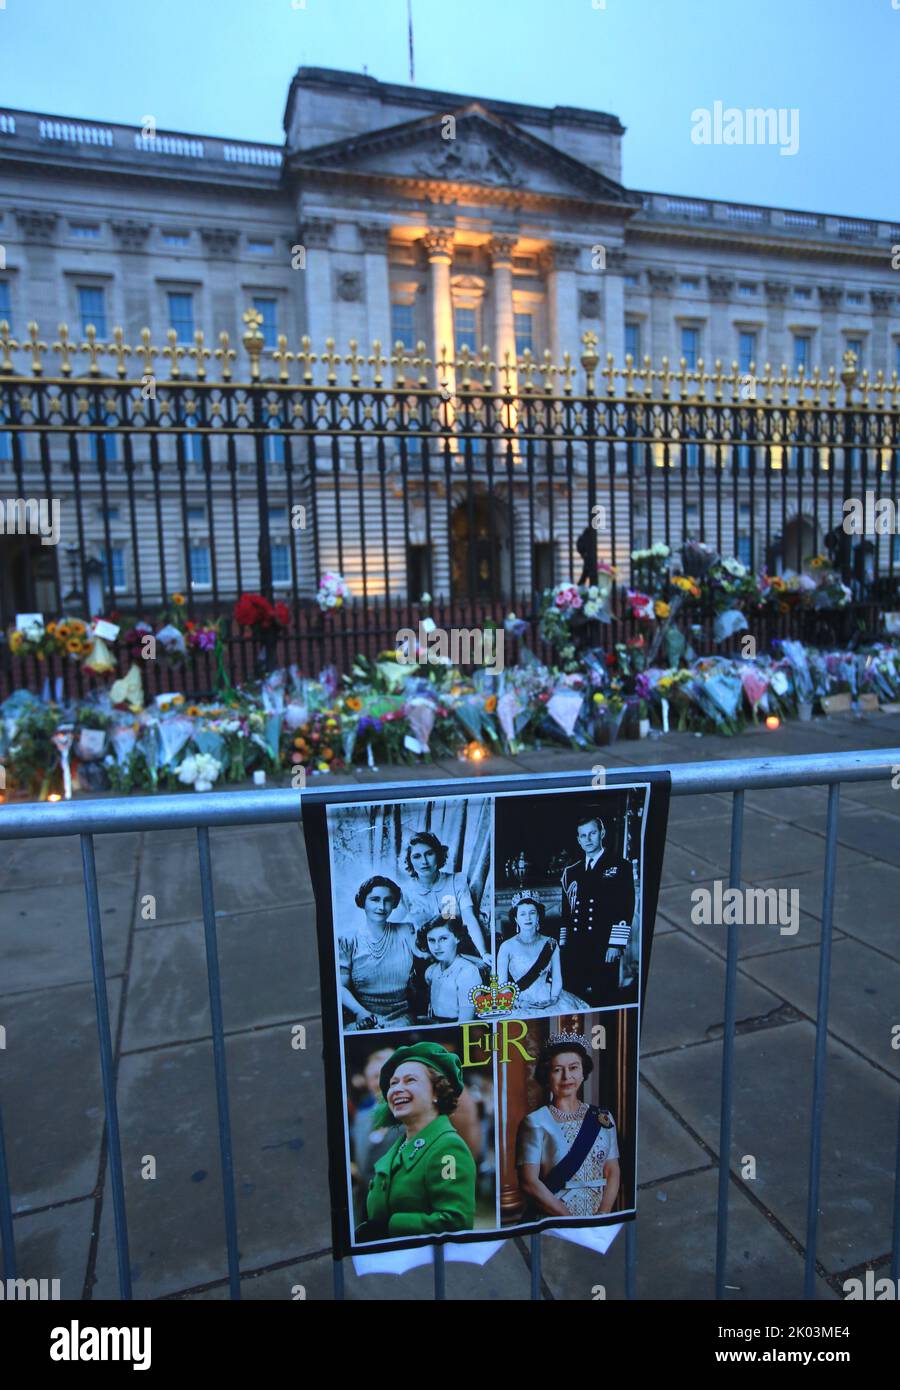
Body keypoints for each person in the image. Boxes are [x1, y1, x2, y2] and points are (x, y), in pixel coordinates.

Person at [356, 1041, 477, 1242]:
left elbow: (456, 1223)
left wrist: (390, 1226)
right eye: (393, 1083)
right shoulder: (398, 1148)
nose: (396, 1089)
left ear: (437, 1092)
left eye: (410, 1080)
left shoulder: (448, 1148)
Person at [516, 1033, 621, 1220]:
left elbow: (612, 1170)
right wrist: (570, 1219)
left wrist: (603, 1214)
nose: (567, 1076)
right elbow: (529, 1182)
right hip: (556, 1218)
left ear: (583, 1072)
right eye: (557, 1070)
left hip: (599, 1216)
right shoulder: (535, 1122)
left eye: (573, 1068)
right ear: (547, 1076)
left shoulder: (602, 1117)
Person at [559, 813, 636, 1005]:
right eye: (583, 836)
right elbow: (566, 913)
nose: (588, 839)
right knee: (575, 998)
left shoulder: (620, 867)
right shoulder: (571, 872)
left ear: (602, 833)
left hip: (604, 947)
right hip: (576, 947)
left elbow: (626, 907)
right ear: (578, 840)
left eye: (592, 833)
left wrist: (616, 944)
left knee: (604, 997)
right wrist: (563, 945)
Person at [338, 875, 418, 1030]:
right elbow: (341, 987)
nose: (381, 906)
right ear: (363, 901)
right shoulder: (348, 940)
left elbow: (426, 956)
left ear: (394, 903)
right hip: (362, 1016)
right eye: (375, 899)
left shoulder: (406, 931)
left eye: (388, 900)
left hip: (401, 1016)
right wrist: (360, 1012)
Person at [399, 830, 490, 960]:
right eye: (417, 856)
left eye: (429, 853)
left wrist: (484, 953)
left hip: (458, 955)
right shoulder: (406, 891)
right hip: (422, 958)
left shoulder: (457, 881)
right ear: (410, 860)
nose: (424, 861)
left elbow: (469, 919)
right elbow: (395, 928)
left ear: (438, 854)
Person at [496, 894, 588, 1015]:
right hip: (518, 1000)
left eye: (532, 913)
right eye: (522, 914)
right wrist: (518, 1003)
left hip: (548, 997)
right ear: (516, 919)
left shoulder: (550, 943)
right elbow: (501, 984)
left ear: (538, 916)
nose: (528, 918)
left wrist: (553, 999)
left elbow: (557, 978)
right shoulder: (506, 947)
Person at [420, 916, 484, 1023]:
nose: (436, 947)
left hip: (458, 1033)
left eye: (443, 939)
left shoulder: (468, 972)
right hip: (438, 1030)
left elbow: (465, 1023)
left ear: (457, 938)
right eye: (431, 940)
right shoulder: (432, 971)